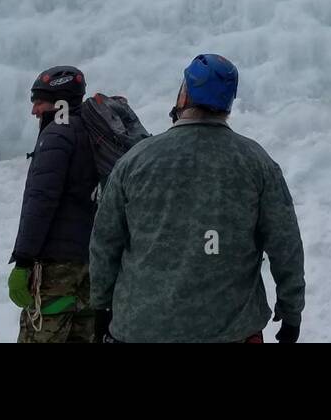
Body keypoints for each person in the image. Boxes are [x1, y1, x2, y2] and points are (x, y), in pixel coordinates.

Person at [89, 53, 305, 343]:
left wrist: (101, 305)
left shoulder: (135, 160)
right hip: (231, 331)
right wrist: (291, 311)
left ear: (185, 94)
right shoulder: (257, 163)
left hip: (140, 328)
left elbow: (105, 242)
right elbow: (285, 243)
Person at [8, 66, 100, 343]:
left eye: (39, 101)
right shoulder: (94, 132)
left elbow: (40, 202)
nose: (34, 110)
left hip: (57, 269)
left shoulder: (56, 135)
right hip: (93, 265)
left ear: (59, 102)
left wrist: (23, 260)